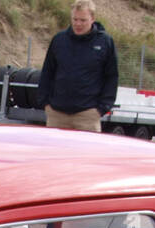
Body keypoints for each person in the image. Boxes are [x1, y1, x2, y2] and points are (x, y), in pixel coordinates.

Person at [36, 1, 119, 133]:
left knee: (86, 154)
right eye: (75, 19)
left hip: (88, 116)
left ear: (93, 19)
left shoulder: (105, 42)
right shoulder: (59, 40)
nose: (78, 24)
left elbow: (111, 77)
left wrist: (102, 108)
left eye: (83, 20)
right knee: (54, 153)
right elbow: (47, 73)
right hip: (57, 115)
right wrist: (45, 103)